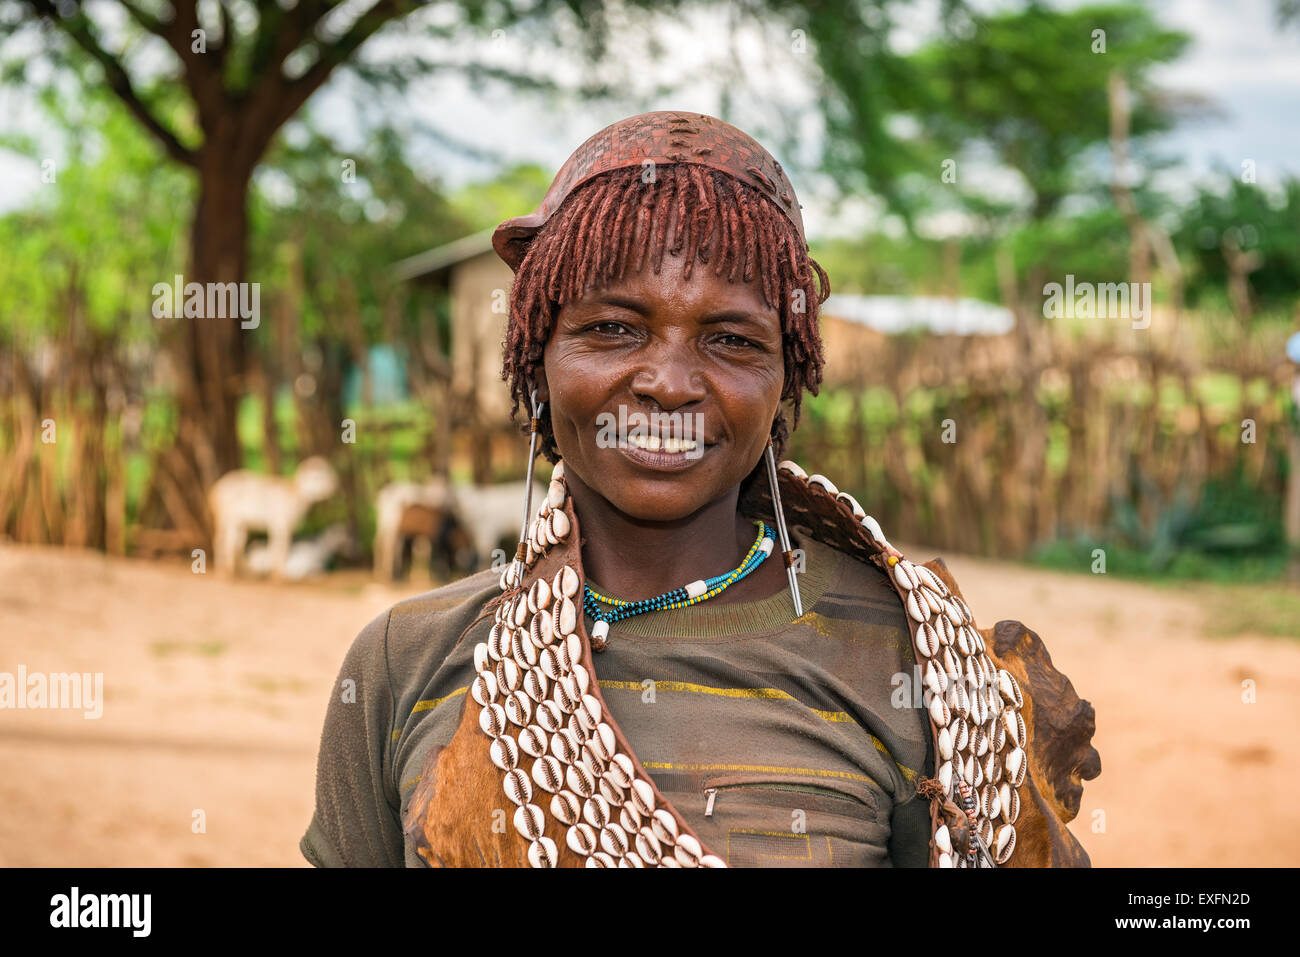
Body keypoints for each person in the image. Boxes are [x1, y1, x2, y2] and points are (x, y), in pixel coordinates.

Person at [300, 110, 1099, 868]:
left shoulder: (915, 663)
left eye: (729, 339)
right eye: (613, 328)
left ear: (786, 379)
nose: (670, 383)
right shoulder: (405, 658)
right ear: (535, 355)